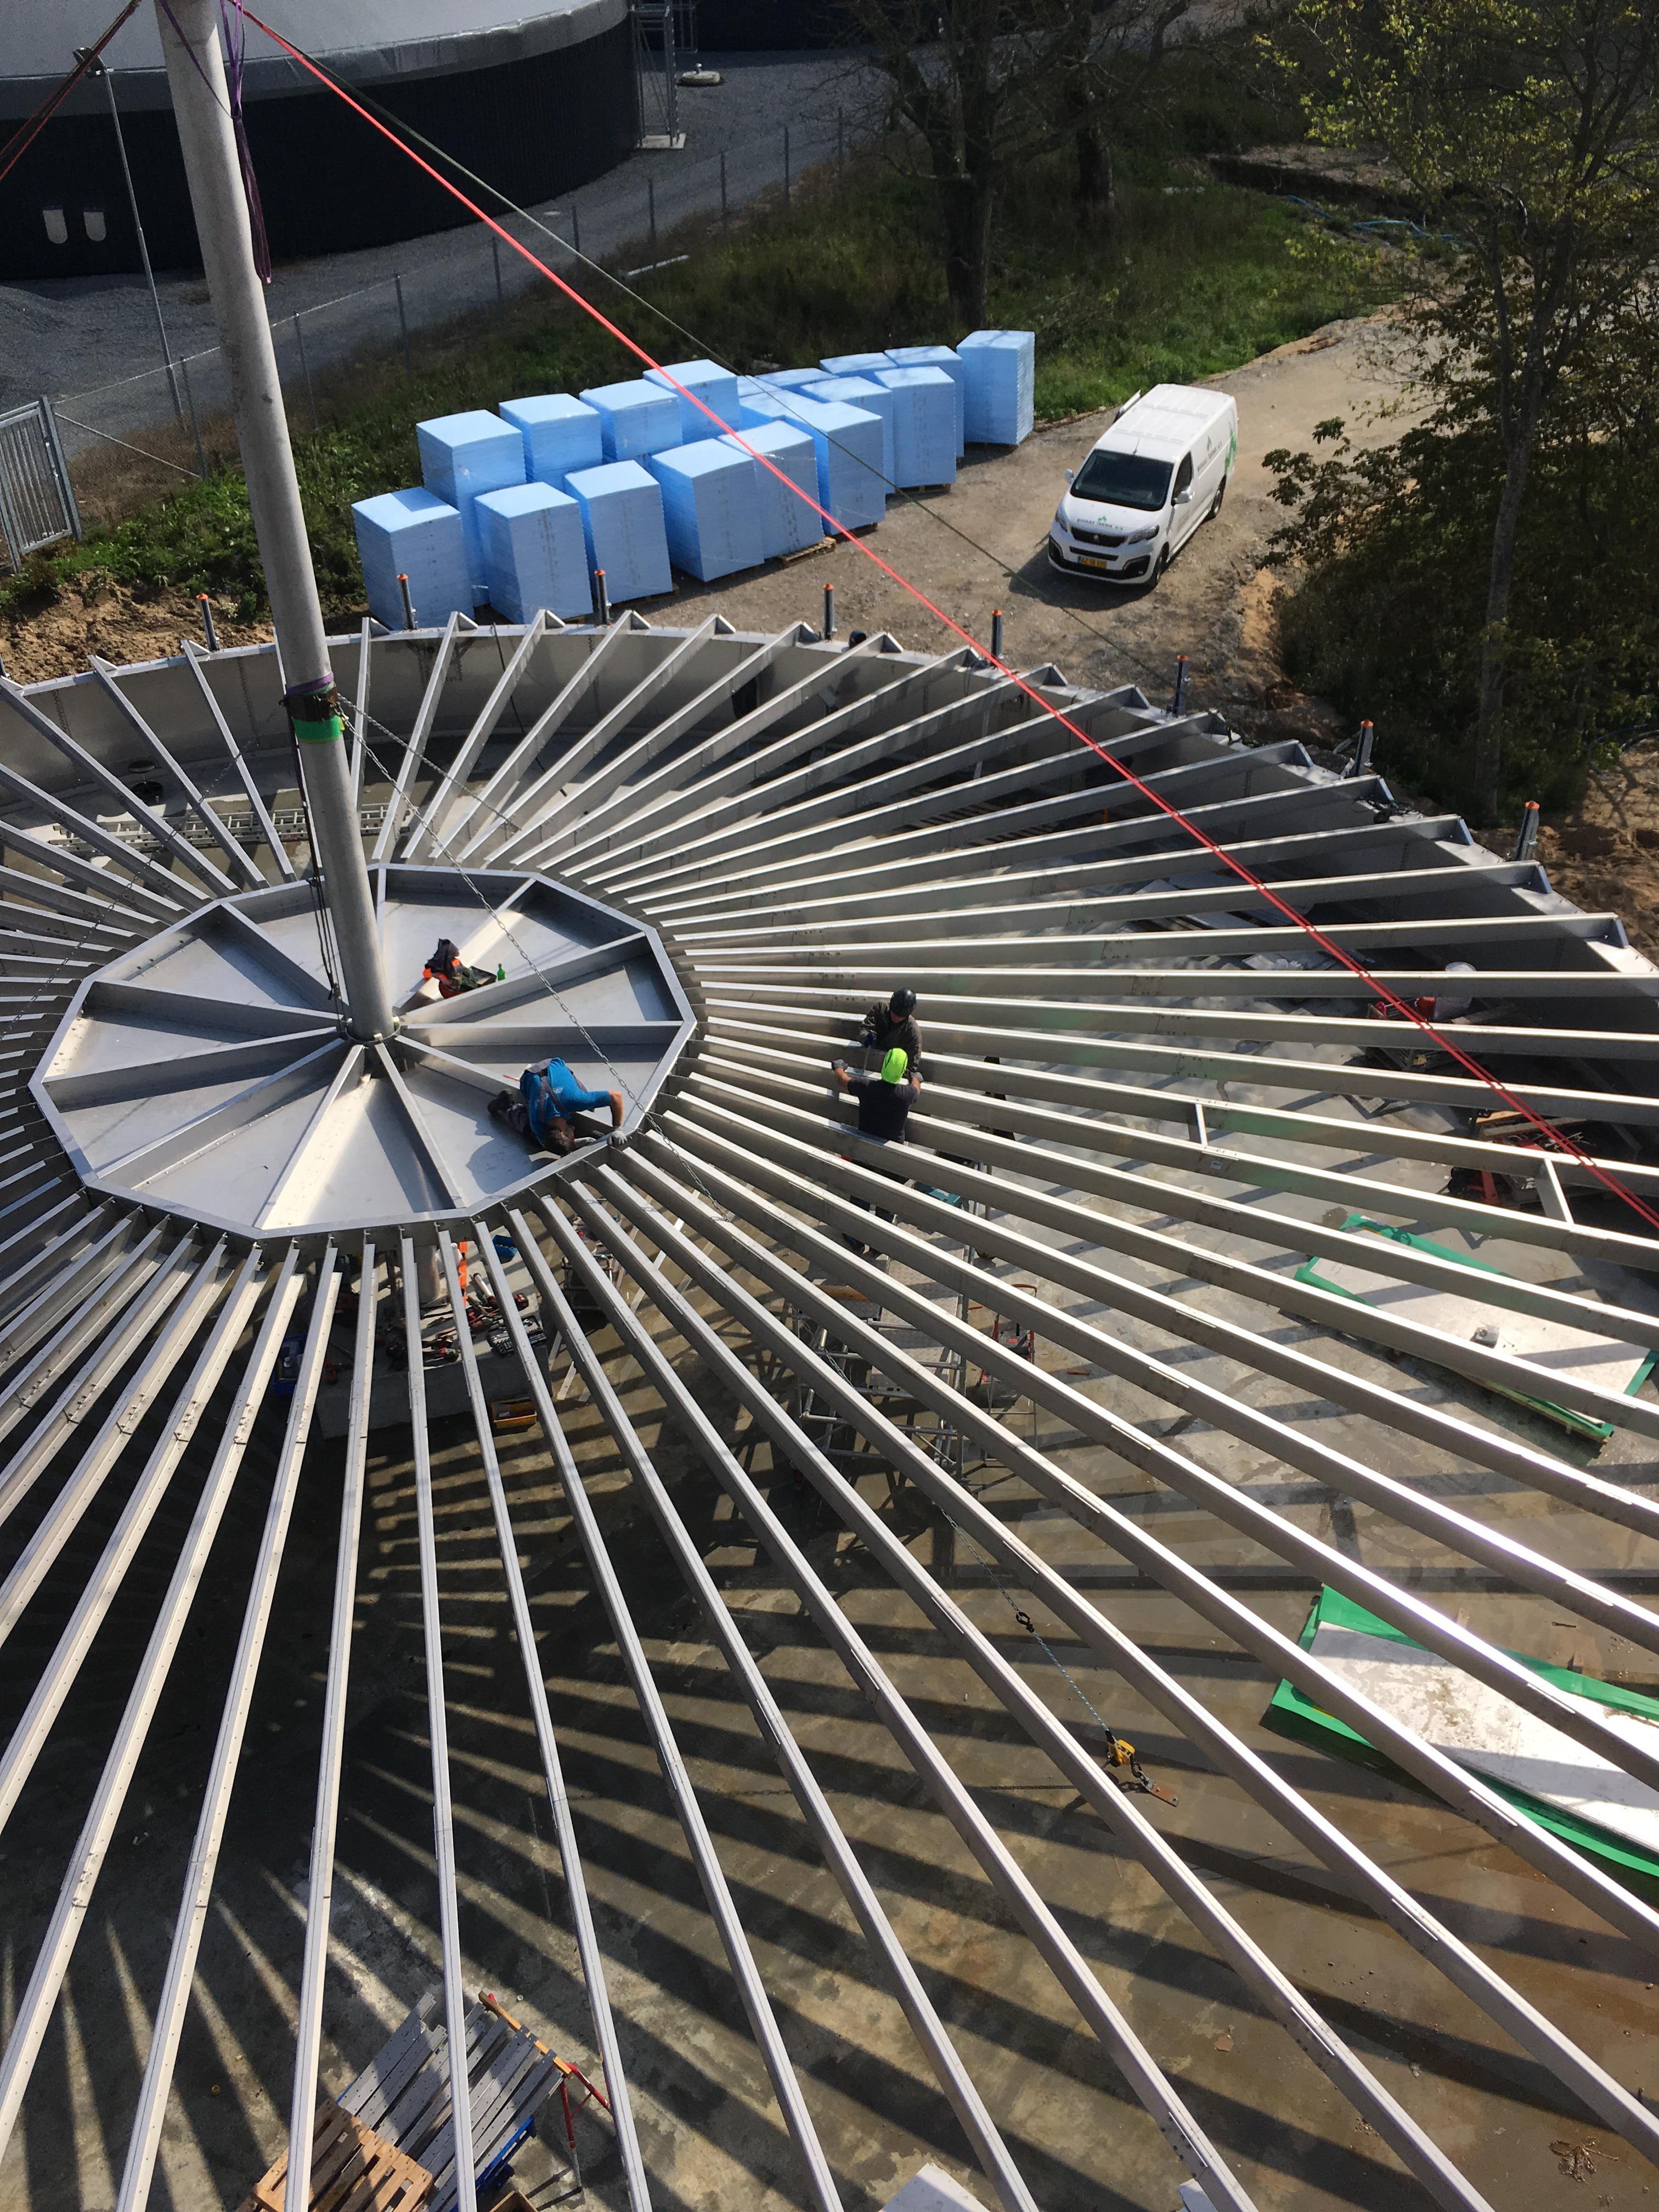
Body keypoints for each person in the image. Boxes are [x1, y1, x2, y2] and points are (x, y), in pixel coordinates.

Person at [832, 1045, 919, 1250]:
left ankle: (857, 1238)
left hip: (865, 1155)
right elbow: (917, 1088)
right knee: (886, 1197)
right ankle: (880, 1242)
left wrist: (838, 1067)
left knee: (862, 1192)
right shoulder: (905, 1094)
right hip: (891, 1160)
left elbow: (843, 1081)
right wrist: (917, 1076)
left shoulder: (867, 1087)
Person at [489, 1058, 622, 1154]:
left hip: (553, 1066)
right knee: (530, 1134)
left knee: (589, 1106)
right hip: (533, 1077)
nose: (574, 1133)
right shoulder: (536, 1123)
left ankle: (506, 1106)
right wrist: (575, 1145)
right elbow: (548, 1144)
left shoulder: (577, 1100)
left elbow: (616, 1096)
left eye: (572, 1136)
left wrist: (617, 1129)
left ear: (561, 1132)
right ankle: (506, 1105)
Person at [857, 985, 922, 1078]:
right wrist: (867, 1038)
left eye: (900, 1016)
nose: (895, 1018)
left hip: (892, 1071)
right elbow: (863, 1030)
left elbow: (912, 1066)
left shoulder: (913, 1032)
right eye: (893, 1013)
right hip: (870, 1057)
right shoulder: (881, 1008)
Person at [424, 936, 501, 999]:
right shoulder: (437, 970)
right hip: (452, 991)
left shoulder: (454, 961)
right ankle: (475, 988)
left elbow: (463, 970)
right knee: (467, 984)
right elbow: (454, 983)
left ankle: (474, 985)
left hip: (456, 980)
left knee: (468, 973)